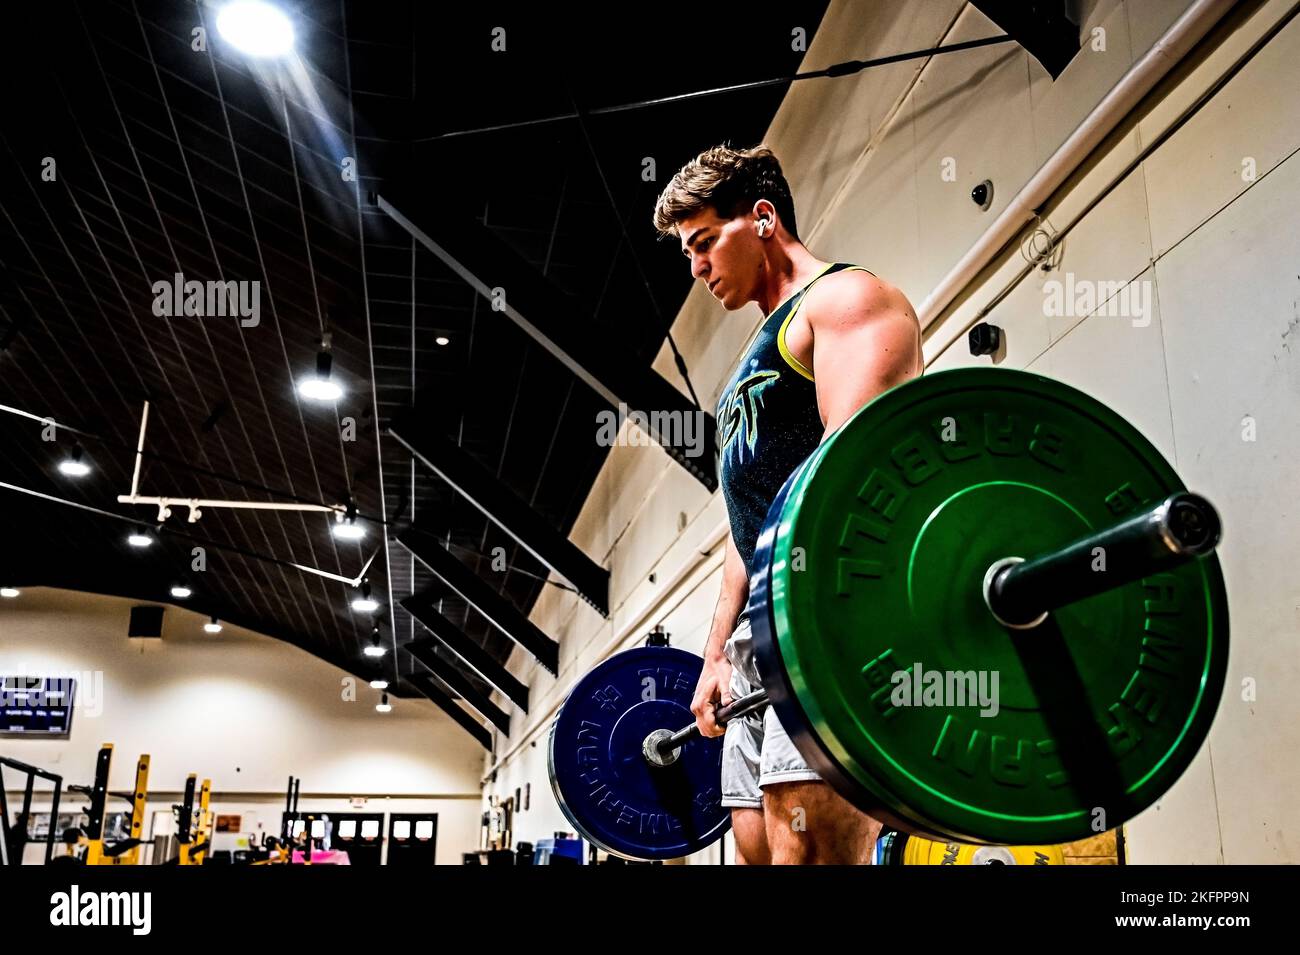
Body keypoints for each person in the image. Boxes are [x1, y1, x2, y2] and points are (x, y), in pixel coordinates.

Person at [653, 144, 923, 864]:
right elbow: (750, 528)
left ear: (763, 218)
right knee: (755, 848)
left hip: (821, 614)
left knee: (807, 851)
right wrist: (714, 655)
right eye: (688, 253)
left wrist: (812, 633)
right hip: (757, 630)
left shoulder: (843, 302)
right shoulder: (758, 355)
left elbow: (849, 479)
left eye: (704, 242)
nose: (698, 268)